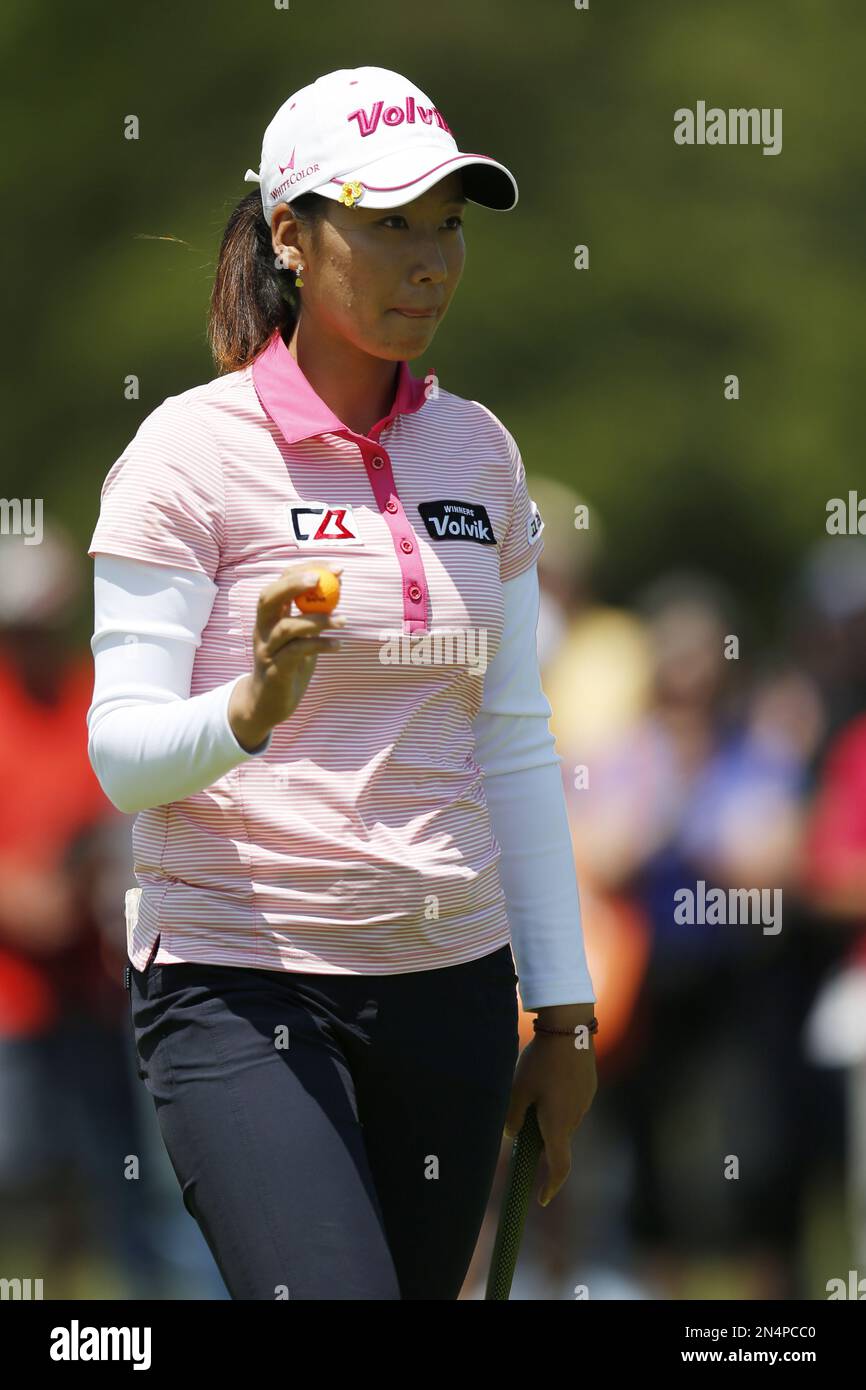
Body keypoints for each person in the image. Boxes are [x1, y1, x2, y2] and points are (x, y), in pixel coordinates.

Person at [85, 64, 597, 1300]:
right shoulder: (187, 453)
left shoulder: (478, 448)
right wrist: (246, 713)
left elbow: (514, 741)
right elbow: (120, 752)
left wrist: (564, 1016)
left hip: (450, 991)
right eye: (388, 223)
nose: (429, 260)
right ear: (290, 238)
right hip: (239, 989)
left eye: (447, 225)